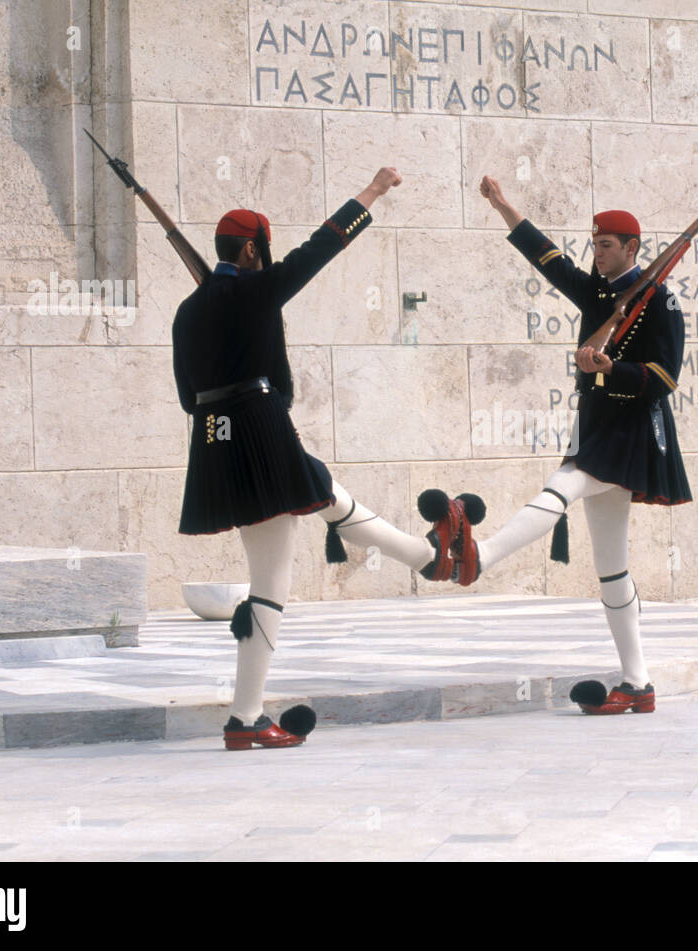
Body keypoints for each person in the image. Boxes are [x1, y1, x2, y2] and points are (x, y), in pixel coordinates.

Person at [171, 168, 478, 750]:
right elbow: (322, 246)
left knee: (324, 492)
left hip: (213, 436)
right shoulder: (258, 290)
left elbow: (189, 397)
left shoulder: (188, 312)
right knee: (270, 580)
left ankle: (430, 557)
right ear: (252, 249)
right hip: (261, 427)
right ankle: (245, 718)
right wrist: (374, 191)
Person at [463, 175, 692, 714]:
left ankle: (482, 556)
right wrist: (503, 206)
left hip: (631, 427)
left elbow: (665, 376)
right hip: (594, 422)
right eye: (594, 244)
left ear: (632, 248)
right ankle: (637, 683)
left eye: (605, 245)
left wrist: (611, 367)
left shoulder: (661, 300)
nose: (596, 253)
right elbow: (546, 258)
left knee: (563, 485)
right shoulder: (598, 292)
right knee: (610, 565)